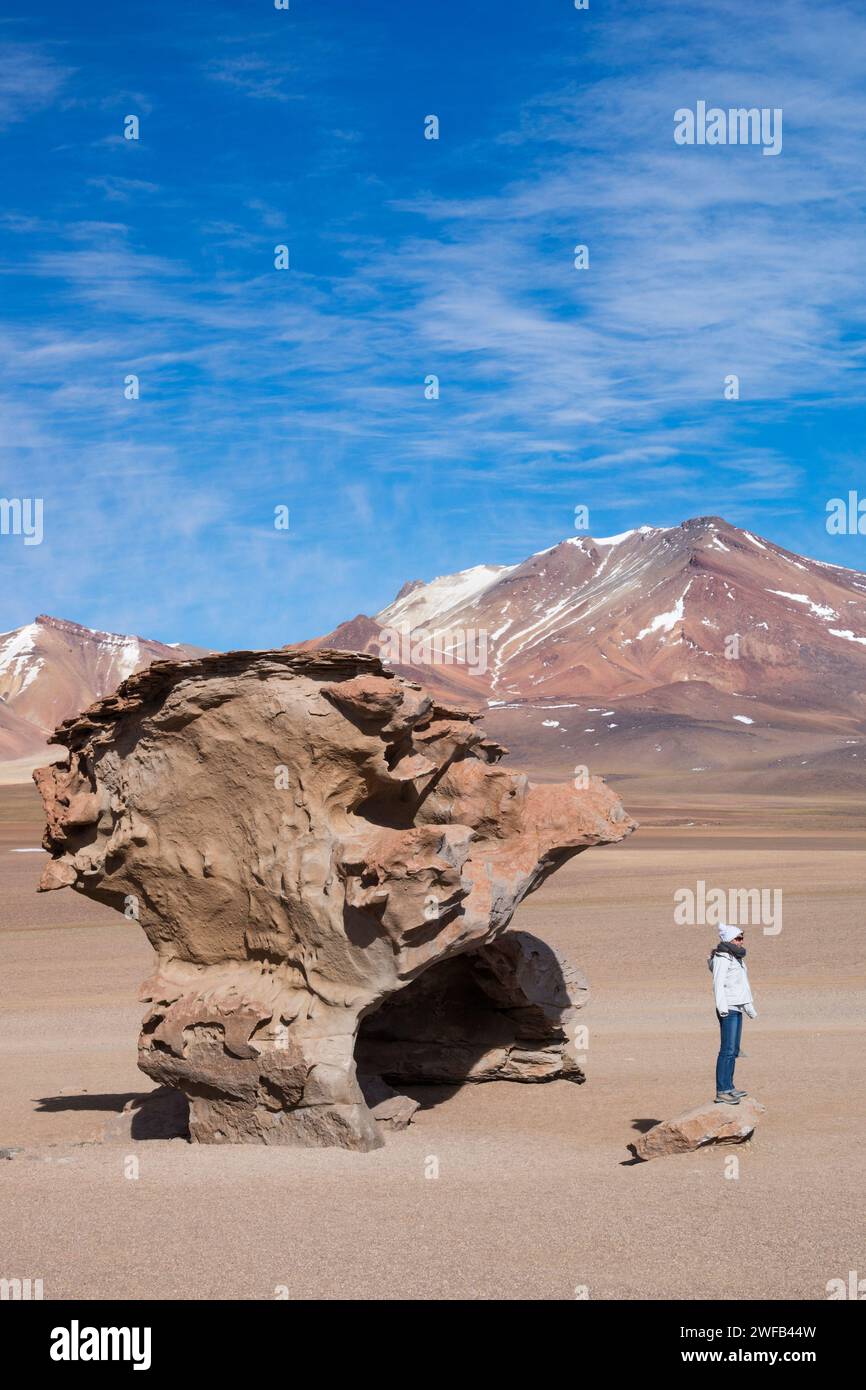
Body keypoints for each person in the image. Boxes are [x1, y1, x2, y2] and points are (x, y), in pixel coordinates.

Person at [709, 923, 757, 1104]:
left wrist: (749, 1007)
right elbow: (718, 984)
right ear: (729, 939)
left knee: (734, 1050)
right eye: (738, 938)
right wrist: (722, 1008)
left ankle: (729, 1087)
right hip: (727, 1008)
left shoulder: (736, 958)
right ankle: (722, 1090)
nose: (741, 941)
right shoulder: (722, 958)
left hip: (737, 1007)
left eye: (742, 937)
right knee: (727, 1050)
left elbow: (743, 985)